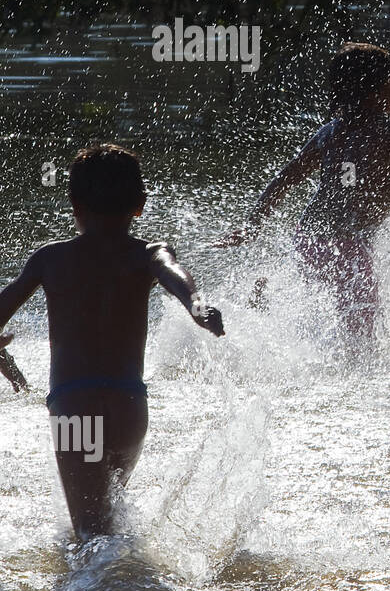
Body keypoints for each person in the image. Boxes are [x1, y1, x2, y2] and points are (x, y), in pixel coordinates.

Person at [0, 144, 225, 538]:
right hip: (129, 409)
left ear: (74, 205)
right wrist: (196, 303)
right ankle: (128, 590)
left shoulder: (50, 259)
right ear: (140, 204)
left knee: (90, 536)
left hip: (74, 407)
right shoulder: (148, 253)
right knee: (109, 526)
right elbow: (174, 274)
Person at [216, 42, 390, 341]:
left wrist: (251, 225)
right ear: (375, 90)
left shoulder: (330, 133)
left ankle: (266, 299)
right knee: (360, 336)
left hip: (308, 238)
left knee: (324, 311)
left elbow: (286, 178)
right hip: (347, 245)